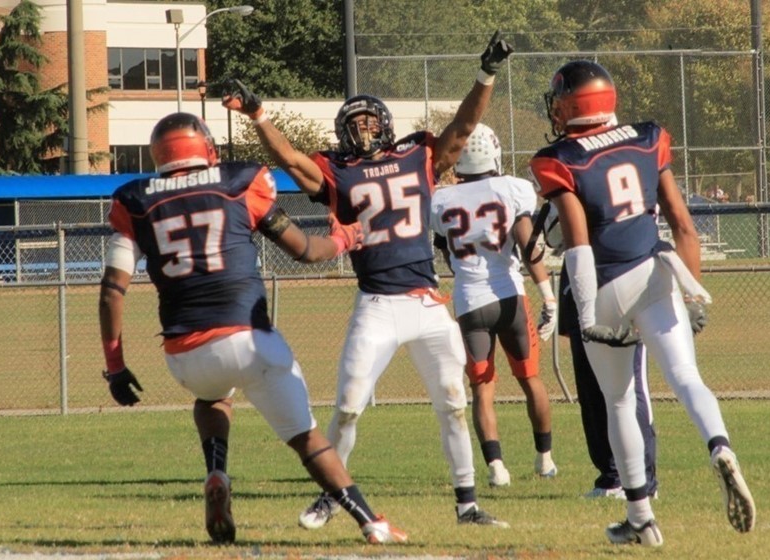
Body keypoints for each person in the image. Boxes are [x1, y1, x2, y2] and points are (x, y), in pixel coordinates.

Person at [221, 31, 515, 529]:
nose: (361, 131)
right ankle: (332, 495)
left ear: (385, 126)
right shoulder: (339, 171)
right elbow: (291, 160)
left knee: (453, 402)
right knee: (349, 406)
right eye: (353, 124)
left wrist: (485, 72)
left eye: (368, 121)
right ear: (342, 132)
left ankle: (467, 505)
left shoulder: (417, 155)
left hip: (426, 303)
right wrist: (258, 114)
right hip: (377, 304)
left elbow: (464, 128)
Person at [98, 112, 407, 545]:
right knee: (307, 439)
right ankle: (370, 521)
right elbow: (304, 250)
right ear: (205, 148)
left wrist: (115, 367)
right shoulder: (240, 182)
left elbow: (112, 291)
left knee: (212, 395)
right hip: (249, 339)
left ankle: (217, 471)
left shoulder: (135, 200)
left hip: (185, 353)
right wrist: (346, 238)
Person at [530, 60, 755, 546]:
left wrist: (586, 315)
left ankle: (640, 518)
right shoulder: (648, 137)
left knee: (619, 401)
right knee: (687, 376)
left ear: (569, 105)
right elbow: (682, 223)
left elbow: (578, 243)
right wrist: (693, 293)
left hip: (606, 283)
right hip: (657, 272)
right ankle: (719, 446)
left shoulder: (559, 158)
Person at [428, 124, 559, 489]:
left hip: (470, 302)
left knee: (482, 389)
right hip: (509, 297)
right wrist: (548, 297)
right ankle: (545, 459)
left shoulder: (440, 199)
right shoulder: (513, 189)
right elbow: (528, 247)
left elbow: (444, 249)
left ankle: (496, 467)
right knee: (530, 380)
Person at [533, 203, 660, 499]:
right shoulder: (576, 183)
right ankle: (612, 476)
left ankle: (641, 479)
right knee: (591, 387)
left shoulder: (622, 184)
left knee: (628, 386)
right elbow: (554, 234)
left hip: (620, 275)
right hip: (583, 281)